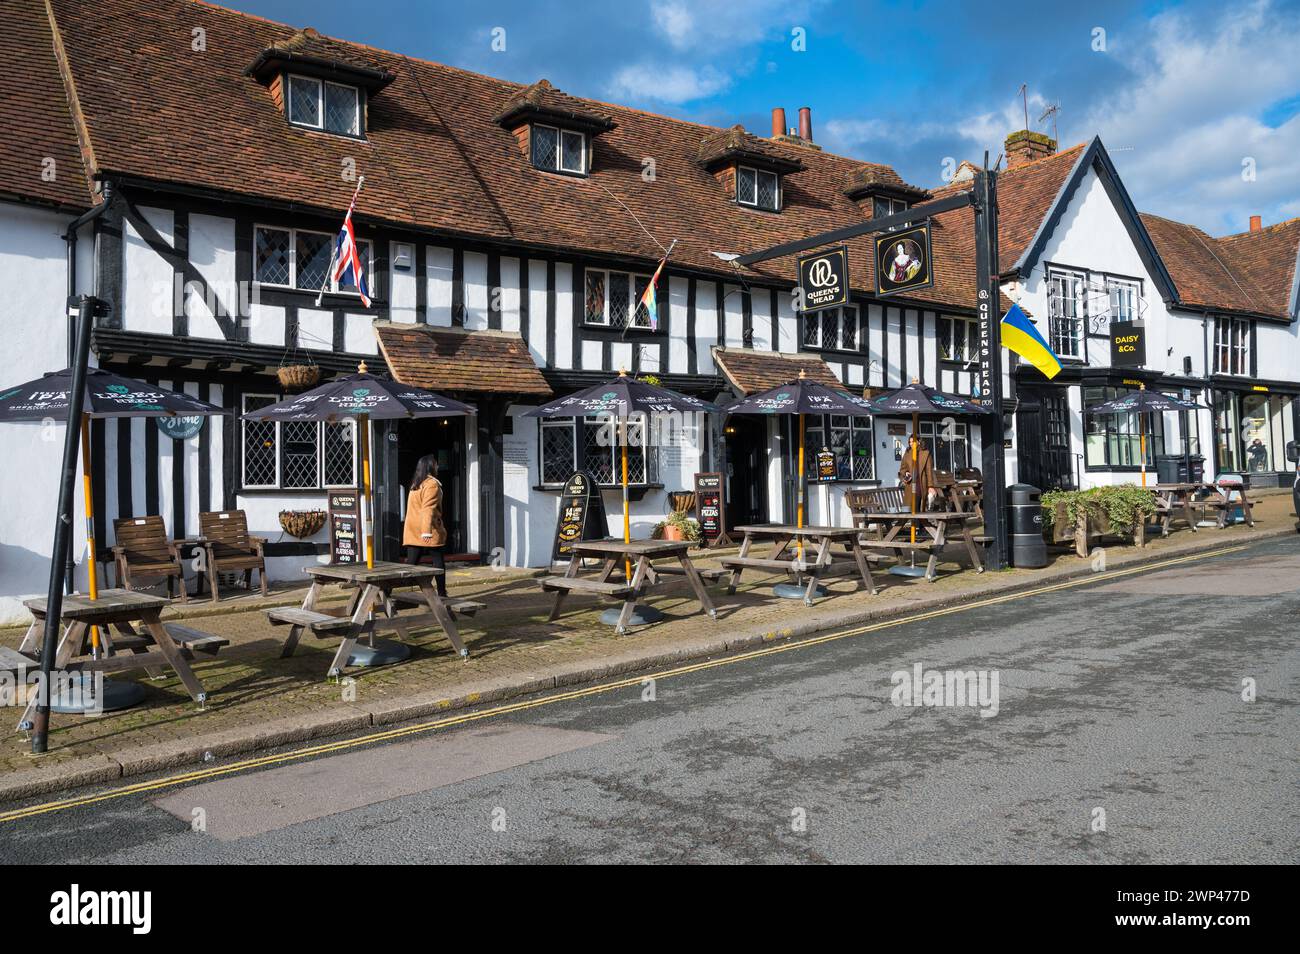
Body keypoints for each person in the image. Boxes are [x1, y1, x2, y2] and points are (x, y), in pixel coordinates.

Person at [403, 454, 448, 597]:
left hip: (413, 528)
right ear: (430, 466)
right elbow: (428, 509)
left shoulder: (416, 484)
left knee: (411, 563)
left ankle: (391, 588)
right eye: (436, 463)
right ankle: (441, 593)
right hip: (429, 528)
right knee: (438, 562)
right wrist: (426, 531)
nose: (438, 466)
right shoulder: (431, 484)